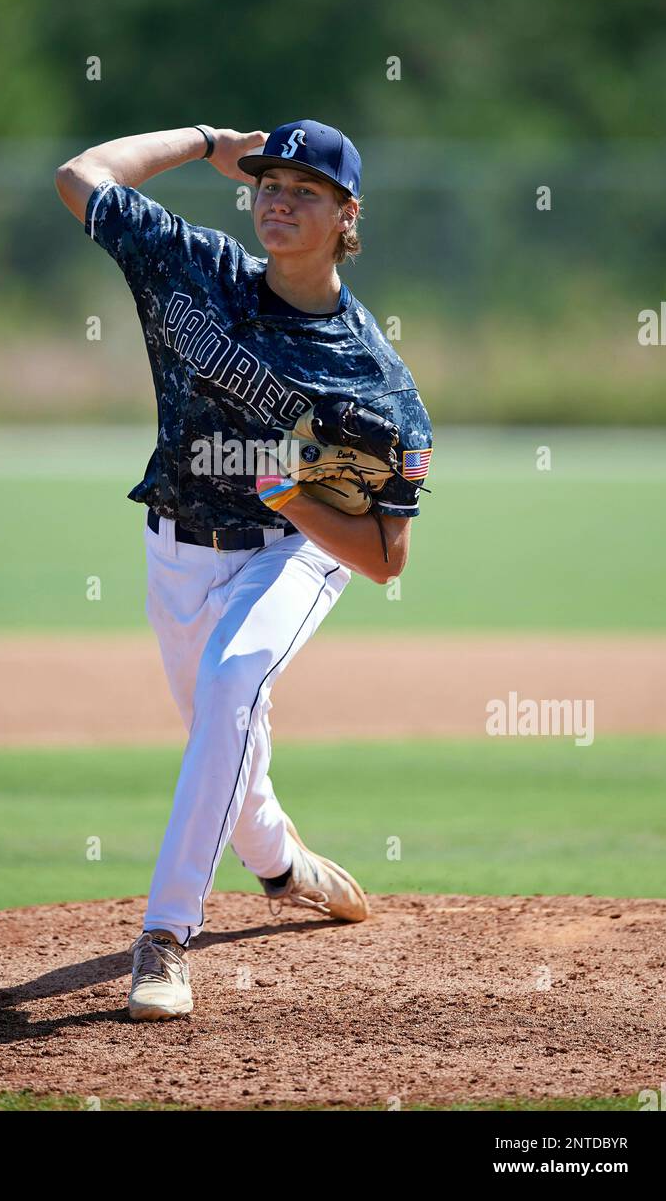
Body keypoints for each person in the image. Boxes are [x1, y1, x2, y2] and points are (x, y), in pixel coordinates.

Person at [55, 120, 432, 1020]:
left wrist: (289, 495)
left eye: (305, 190)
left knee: (231, 686)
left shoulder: (373, 377)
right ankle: (279, 862)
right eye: (268, 182)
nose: (279, 200)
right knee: (221, 733)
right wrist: (203, 139)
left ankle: (165, 937)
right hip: (173, 548)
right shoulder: (194, 266)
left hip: (290, 557)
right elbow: (80, 175)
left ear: (348, 214)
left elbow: (386, 557)